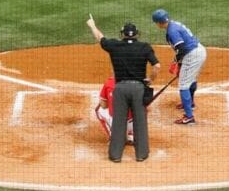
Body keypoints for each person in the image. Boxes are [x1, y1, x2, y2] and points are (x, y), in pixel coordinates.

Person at [86, 15, 159, 162]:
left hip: (119, 89)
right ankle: (141, 154)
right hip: (139, 89)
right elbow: (157, 66)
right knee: (140, 121)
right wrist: (150, 79)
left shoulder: (115, 46)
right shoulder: (144, 47)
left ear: (123, 34)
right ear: (137, 34)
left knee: (118, 121)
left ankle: (115, 155)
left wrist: (92, 25)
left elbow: (100, 38)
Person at [152, 9, 207, 125]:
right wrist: (179, 64)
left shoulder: (172, 31)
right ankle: (190, 103)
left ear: (158, 23)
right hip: (198, 51)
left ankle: (189, 117)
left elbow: (181, 48)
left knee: (183, 85)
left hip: (192, 55)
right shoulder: (174, 25)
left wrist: (175, 62)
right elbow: (182, 48)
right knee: (191, 80)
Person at [93, 77, 135, 147]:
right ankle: (131, 134)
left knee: (99, 109)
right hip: (133, 122)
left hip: (117, 123)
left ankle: (114, 135)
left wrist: (111, 100)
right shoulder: (138, 82)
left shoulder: (109, 83)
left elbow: (103, 105)